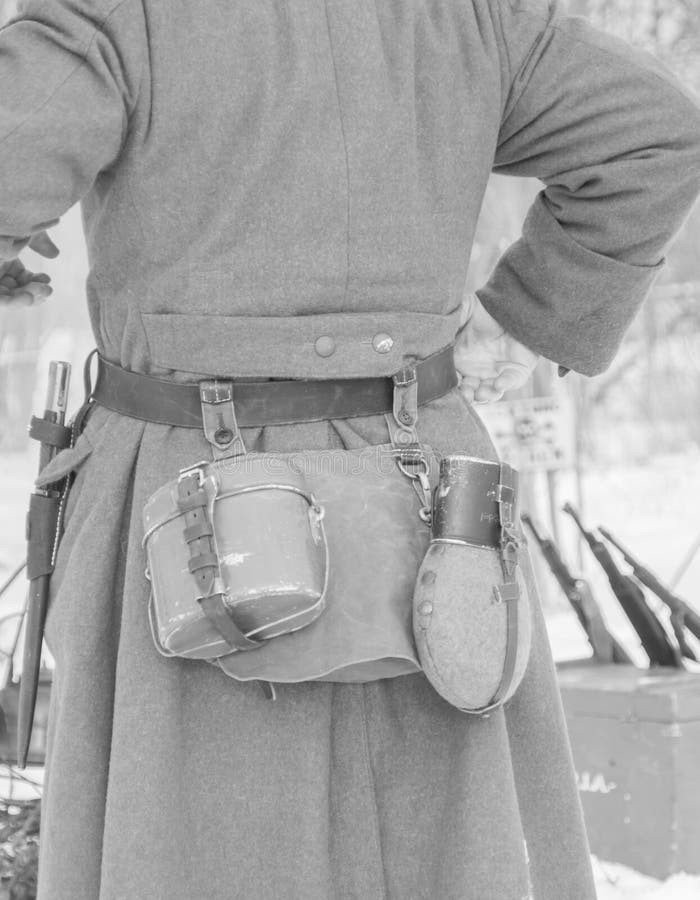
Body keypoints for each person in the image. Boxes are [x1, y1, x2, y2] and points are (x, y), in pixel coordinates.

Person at [1, 1, 700, 897]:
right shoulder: (466, 16)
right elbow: (658, 131)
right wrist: (531, 316)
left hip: (187, 489)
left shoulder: (121, 14)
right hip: (424, 480)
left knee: (192, 849)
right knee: (442, 841)